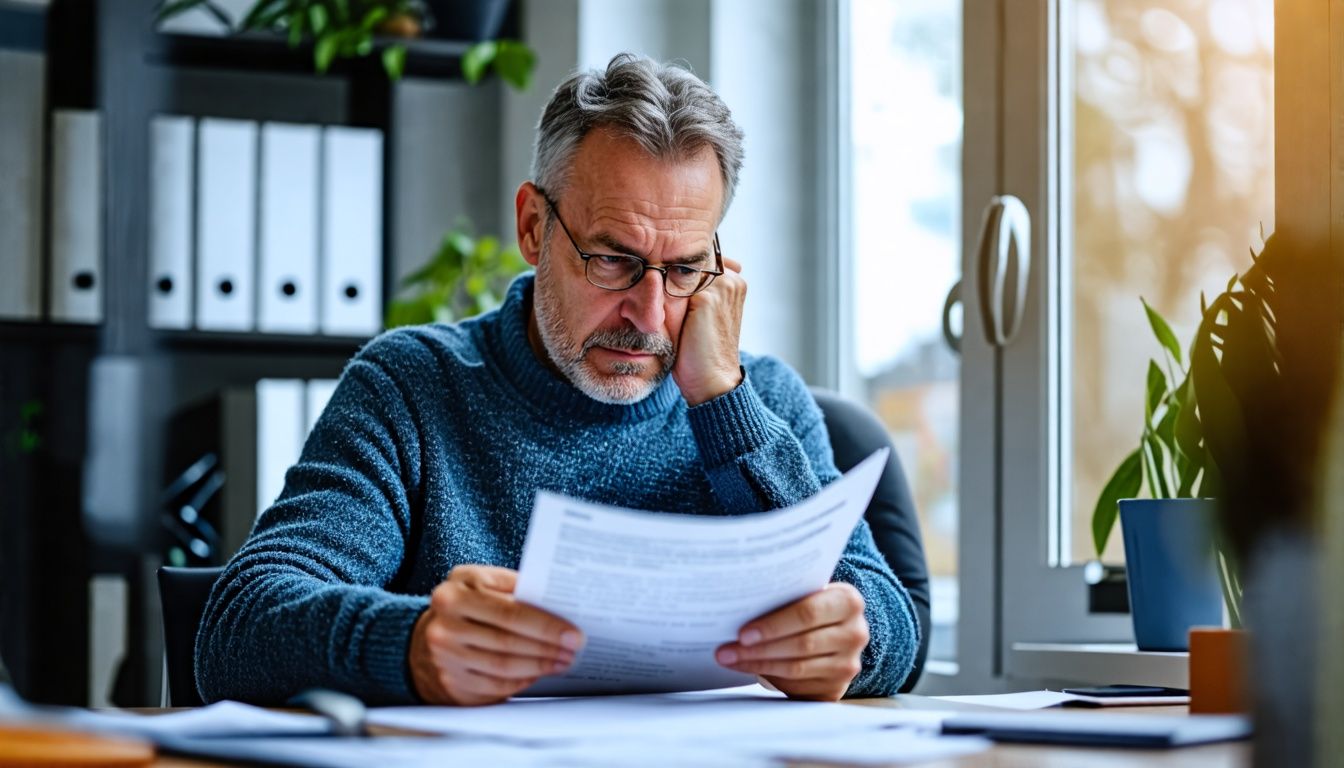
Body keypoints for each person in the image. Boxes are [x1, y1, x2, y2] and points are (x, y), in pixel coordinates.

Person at [196, 52, 919, 707]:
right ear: (534, 227)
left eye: (684, 267)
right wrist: (412, 644)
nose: (649, 313)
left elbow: (890, 623)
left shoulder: (756, 398)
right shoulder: (412, 387)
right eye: (613, 260)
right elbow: (237, 628)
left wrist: (724, 406)